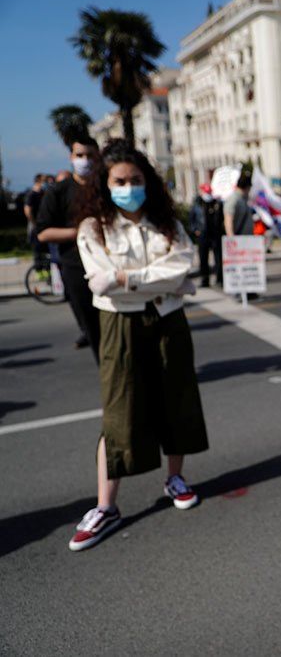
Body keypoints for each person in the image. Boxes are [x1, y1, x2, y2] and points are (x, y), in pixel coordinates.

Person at [70, 139, 209, 552]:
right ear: (105, 183)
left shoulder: (167, 223)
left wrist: (126, 278)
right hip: (120, 323)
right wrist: (161, 278)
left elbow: (186, 262)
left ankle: (175, 477)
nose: (128, 186)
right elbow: (98, 277)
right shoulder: (94, 227)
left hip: (168, 320)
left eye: (135, 179)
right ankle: (106, 505)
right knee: (119, 408)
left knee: (177, 398)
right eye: (120, 180)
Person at [36, 133, 102, 357]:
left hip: (111, 267)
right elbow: (43, 233)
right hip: (76, 268)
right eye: (79, 155)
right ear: (71, 157)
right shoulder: (58, 191)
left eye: (90, 155)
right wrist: (80, 233)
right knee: (93, 328)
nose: (85, 160)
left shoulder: (108, 186)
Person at [188, 183, 223, 287]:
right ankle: (205, 279)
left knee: (218, 258)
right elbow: (192, 219)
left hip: (215, 234)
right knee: (203, 258)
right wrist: (195, 230)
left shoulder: (217, 203)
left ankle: (219, 278)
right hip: (203, 235)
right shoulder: (197, 205)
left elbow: (221, 218)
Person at [23, 174, 48, 270]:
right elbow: (27, 210)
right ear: (38, 181)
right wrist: (34, 222)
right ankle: (39, 271)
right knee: (37, 250)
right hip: (35, 226)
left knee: (45, 250)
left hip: (43, 224)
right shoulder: (31, 194)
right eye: (44, 181)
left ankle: (46, 271)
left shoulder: (43, 193)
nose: (45, 183)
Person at [223, 173, 255, 237]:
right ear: (247, 187)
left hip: (245, 239)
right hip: (238, 240)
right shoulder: (233, 199)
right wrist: (231, 237)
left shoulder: (243, 199)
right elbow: (228, 219)